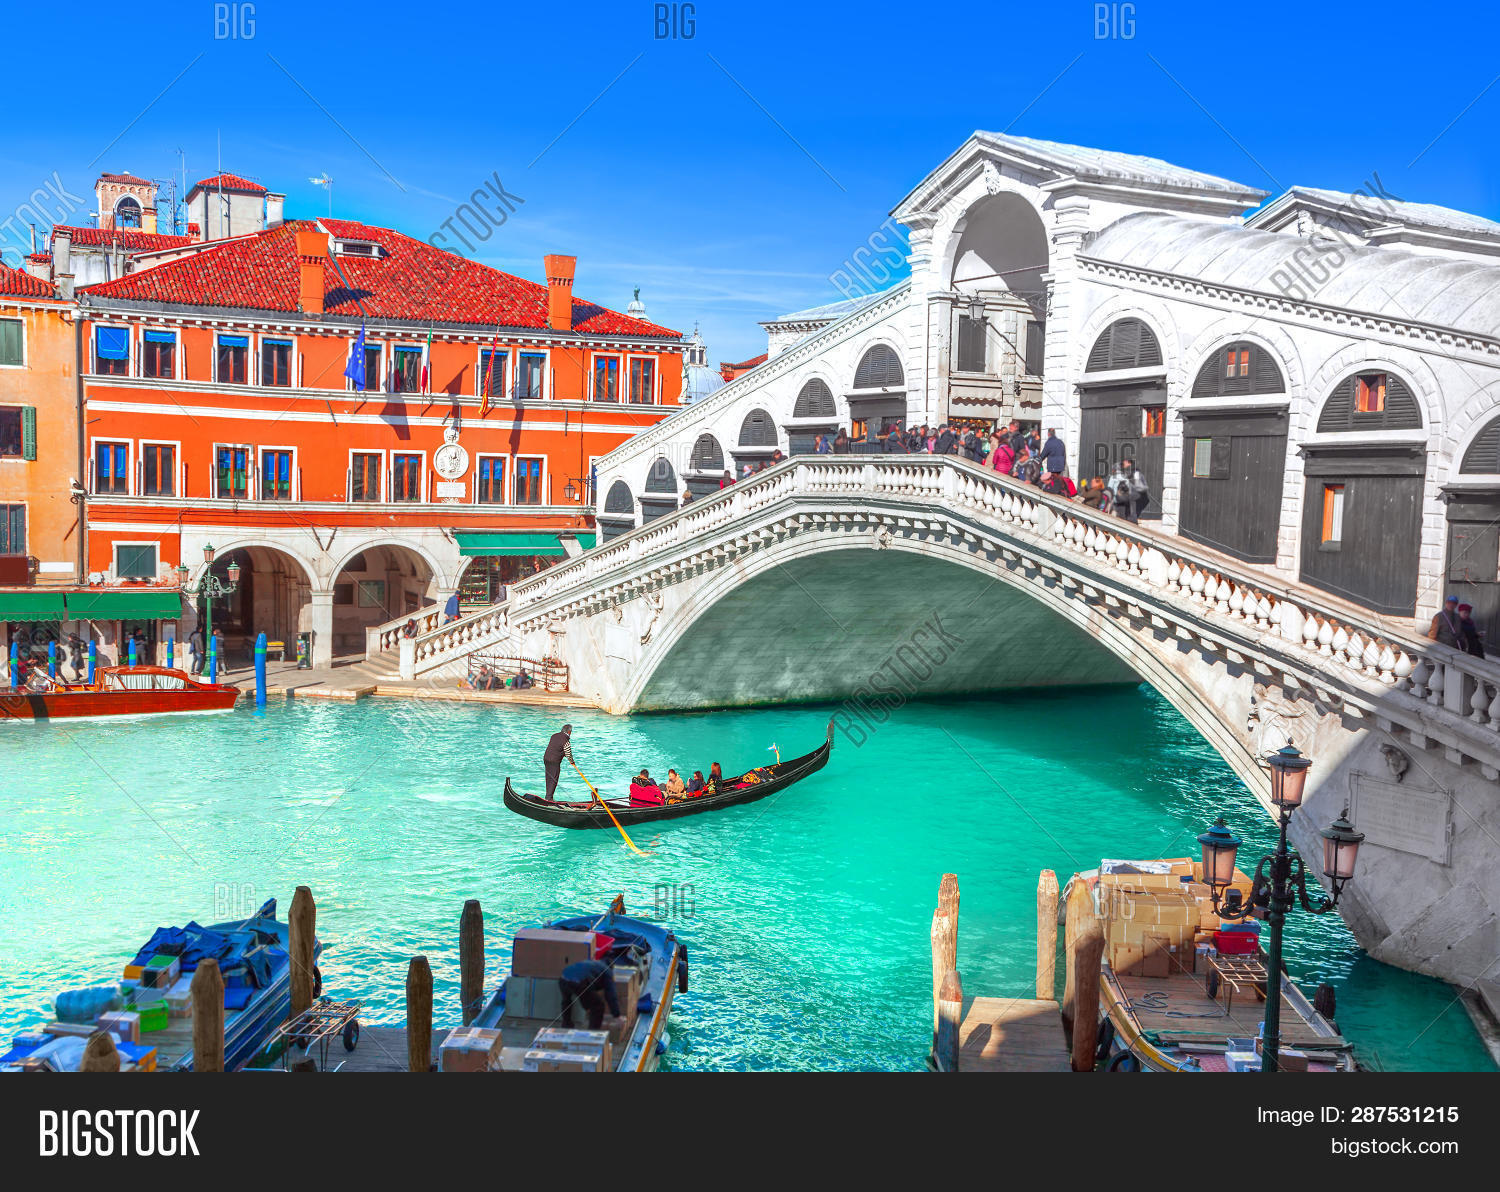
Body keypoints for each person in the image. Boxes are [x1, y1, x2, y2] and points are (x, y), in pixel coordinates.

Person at [558, 956, 622, 1031]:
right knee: (598, 1006)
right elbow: (611, 994)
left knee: (566, 1001)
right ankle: (592, 1033)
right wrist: (616, 1015)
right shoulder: (607, 971)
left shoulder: (592, 963)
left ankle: (566, 1026)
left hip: (563, 978)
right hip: (578, 982)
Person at [542, 724, 574, 801]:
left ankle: (548, 796)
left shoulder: (554, 736)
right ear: (569, 732)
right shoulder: (566, 741)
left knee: (549, 777)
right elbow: (568, 753)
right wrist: (572, 762)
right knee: (554, 778)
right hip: (554, 761)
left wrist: (564, 754)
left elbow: (555, 747)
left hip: (546, 758)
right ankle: (549, 798)